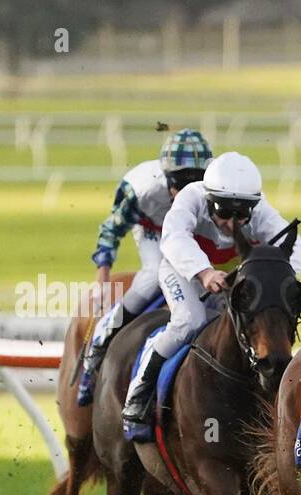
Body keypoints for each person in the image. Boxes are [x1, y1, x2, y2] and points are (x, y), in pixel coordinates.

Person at [121, 151, 301, 438]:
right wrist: (204, 273)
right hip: (183, 272)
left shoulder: (260, 209)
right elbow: (173, 238)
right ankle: (141, 390)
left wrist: (263, 273)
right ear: (210, 201)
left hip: (232, 278)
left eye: (241, 214)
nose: (231, 221)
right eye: (224, 211)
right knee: (190, 320)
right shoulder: (191, 198)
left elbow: (299, 251)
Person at [78, 128, 212, 406]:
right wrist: (102, 276)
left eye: (194, 181)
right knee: (154, 274)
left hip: (191, 232)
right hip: (154, 230)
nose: (186, 190)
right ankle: (102, 340)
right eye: (180, 182)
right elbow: (111, 231)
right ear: (166, 175)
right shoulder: (141, 190)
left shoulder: (214, 185)